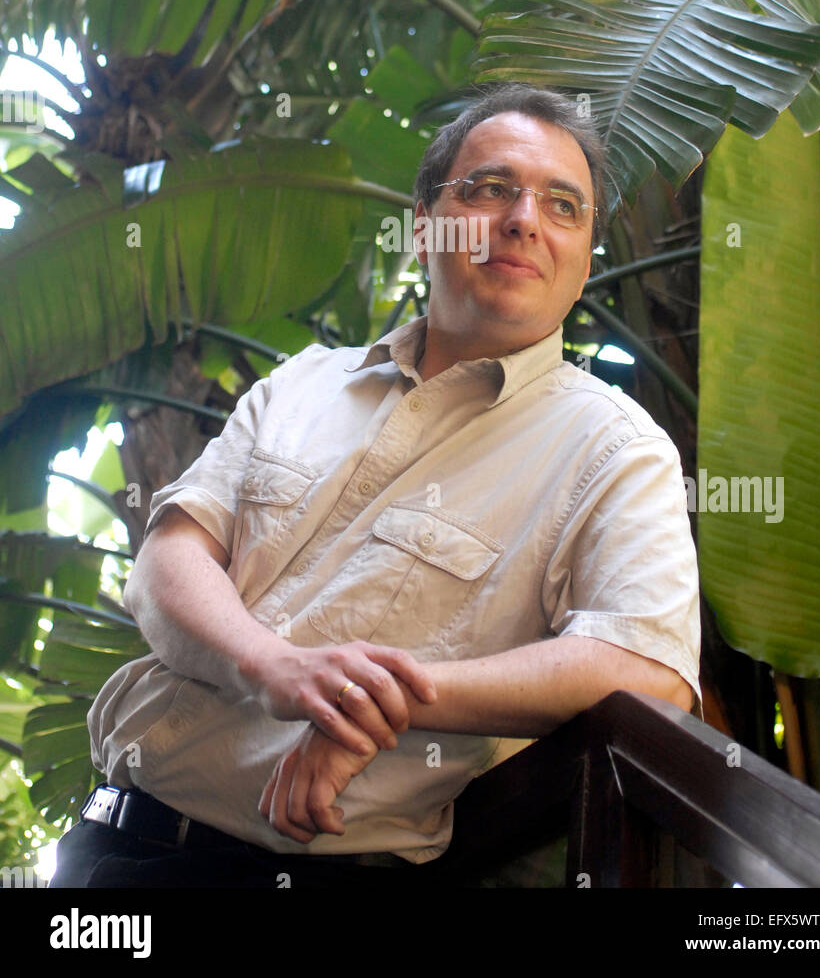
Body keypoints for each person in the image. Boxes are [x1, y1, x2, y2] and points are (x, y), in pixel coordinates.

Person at [51, 83, 701, 889]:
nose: (525, 219)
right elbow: (164, 564)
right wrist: (275, 669)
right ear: (425, 222)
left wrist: (381, 700)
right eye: (492, 188)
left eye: (564, 205)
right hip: (112, 846)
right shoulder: (305, 383)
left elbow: (648, 667)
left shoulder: (615, 449)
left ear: (582, 255)